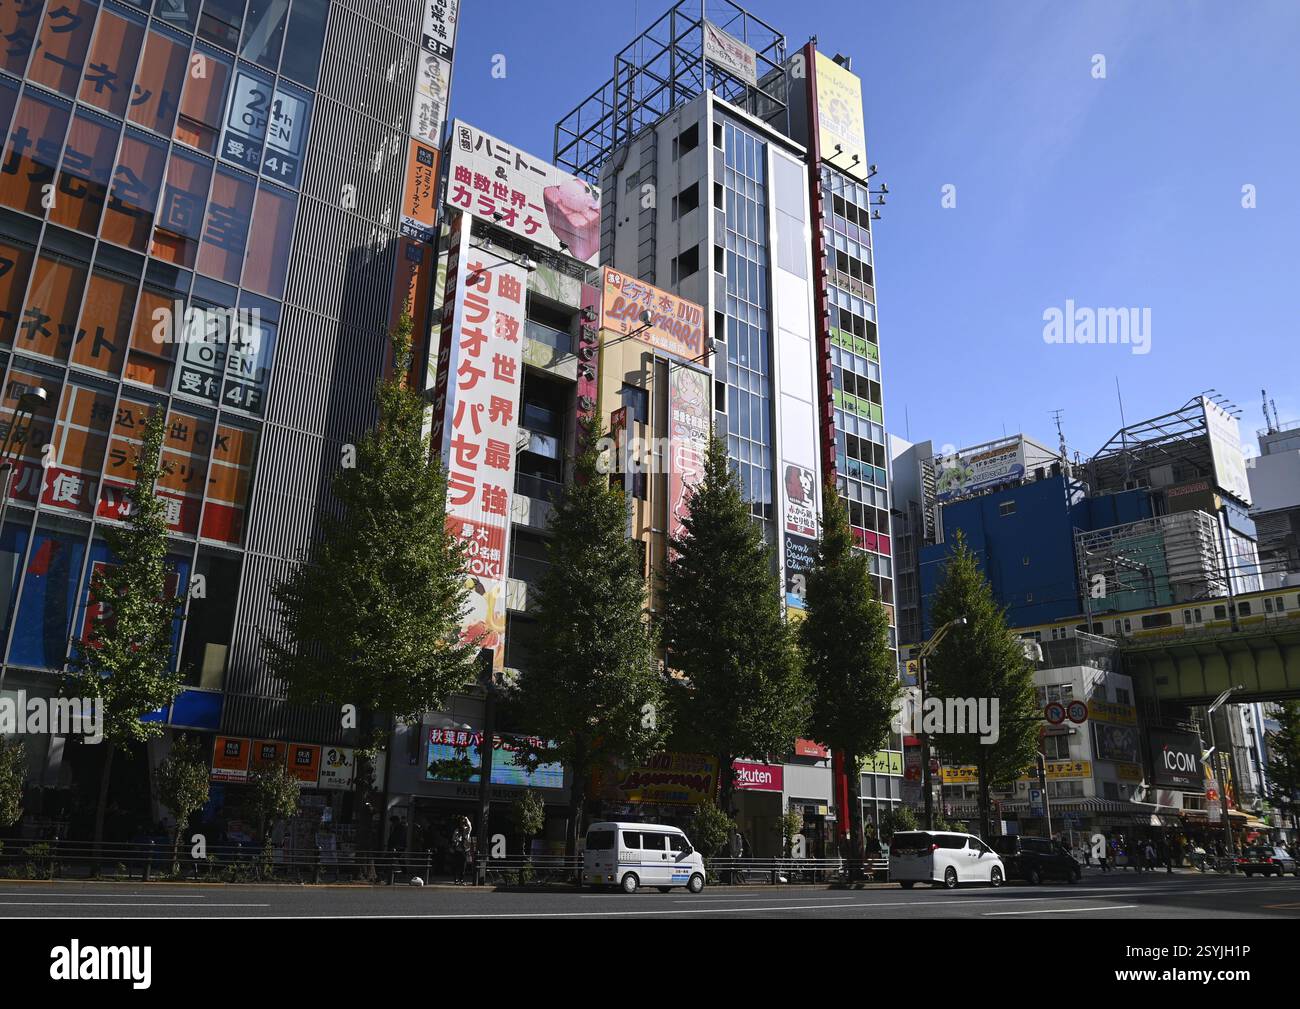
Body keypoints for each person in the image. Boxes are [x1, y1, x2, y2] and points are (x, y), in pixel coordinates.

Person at [451, 816, 472, 885]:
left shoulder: (466, 830)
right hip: (458, 849)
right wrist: (456, 840)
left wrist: (466, 819)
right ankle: (456, 879)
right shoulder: (457, 830)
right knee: (457, 865)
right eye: (461, 822)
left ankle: (461, 879)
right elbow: (453, 839)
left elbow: (469, 826)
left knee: (463, 866)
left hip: (465, 850)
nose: (462, 824)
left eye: (463, 823)